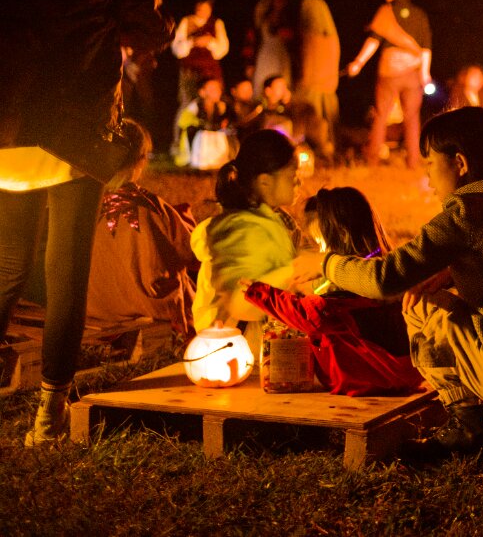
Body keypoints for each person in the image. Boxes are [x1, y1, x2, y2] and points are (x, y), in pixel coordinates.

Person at [0, 0, 171, 446]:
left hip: (5, 130)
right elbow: (149, 25)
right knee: (66, 263)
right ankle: (50, 409)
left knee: (6, 262)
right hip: (71, 131)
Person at [303, 107, 483, 455]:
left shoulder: (467, 211)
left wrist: (327, 262)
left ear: (459, 163)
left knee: (420, 306)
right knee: (440, 294)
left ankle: (468, 431)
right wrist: (450, 273)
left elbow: (385, 279)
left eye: (429, 164)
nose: (427, 178)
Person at [241, 187, 421, 396]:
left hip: (372, 380)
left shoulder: (352, 282)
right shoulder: (383, 267)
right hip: (405, 373)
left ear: (342, 235)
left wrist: (262, 293)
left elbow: (315, 313)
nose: (319, 252)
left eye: (320, 242)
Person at [191, 129, 317, 352]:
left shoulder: (270, 220)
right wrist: (296, 270)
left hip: (268, 346)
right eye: (291, 175)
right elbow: (242, 304)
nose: (299, 182)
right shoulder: (240, 229)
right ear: (265, 182)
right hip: (235, 348)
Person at [86, 120, 197, 337]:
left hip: (94, 305)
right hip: (151, 306)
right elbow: (189, 253)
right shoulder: (151, 206)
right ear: (140, 160)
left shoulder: (86, 205)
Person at [347, 0, 433, 169]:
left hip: (389, 72)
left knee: (381, 115)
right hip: (413, 73)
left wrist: (358, 63)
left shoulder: (385, 12)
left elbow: (374, 41)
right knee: (412, 118)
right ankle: (413, 161)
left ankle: (372, 159)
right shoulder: (420, 15)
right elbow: (426, 47)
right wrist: (425, 74)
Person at [294, 0, 341, 162]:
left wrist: (302, 83)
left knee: (311, 124)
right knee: (328, 125)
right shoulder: (333, 38)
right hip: (329, 86)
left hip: (312, 86)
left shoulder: (309, 37)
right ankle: (330, 152)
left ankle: (313, 152)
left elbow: (307, 62)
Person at [170, 0, 229, 109]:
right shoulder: (187, 21)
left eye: (205, 7)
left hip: (210, 73)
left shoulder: (216, 23)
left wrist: (210, 42)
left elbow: (222, 50)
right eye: (200, 7)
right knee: (189, 104)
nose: (202, 10)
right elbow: (177, 49)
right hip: (190, 73)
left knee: (213, 103)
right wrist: (193, 42)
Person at [172, 76, 233, 169]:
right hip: (199, 136)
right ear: (202, 92)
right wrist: (200, 123)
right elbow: (183, 121)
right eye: (212, 89)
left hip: (215, 135)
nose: (217, 91)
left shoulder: (221, 106)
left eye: (218, 89)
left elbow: (225, 120)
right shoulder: (195, 105)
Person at [248, 0, 294, 96]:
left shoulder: (288, 19)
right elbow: (252, 40)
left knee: (281, 84)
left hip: (280, 56)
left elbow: (294, 41)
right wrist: (249, 62)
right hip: (265, 57)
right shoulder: (264, 18)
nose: (280, 1)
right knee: (261, 83)